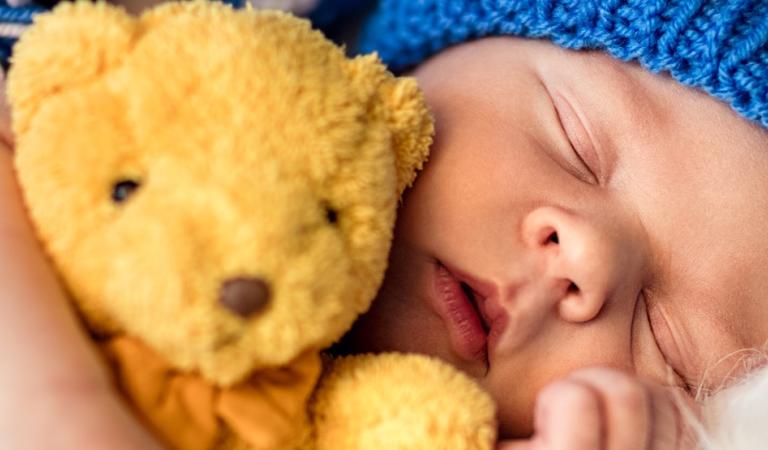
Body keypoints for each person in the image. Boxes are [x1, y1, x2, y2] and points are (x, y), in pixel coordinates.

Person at [1, 1, 766, 450]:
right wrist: (65, 410)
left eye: (665, 340)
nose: (584, 260)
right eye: (579, 143)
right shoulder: (204, 40)